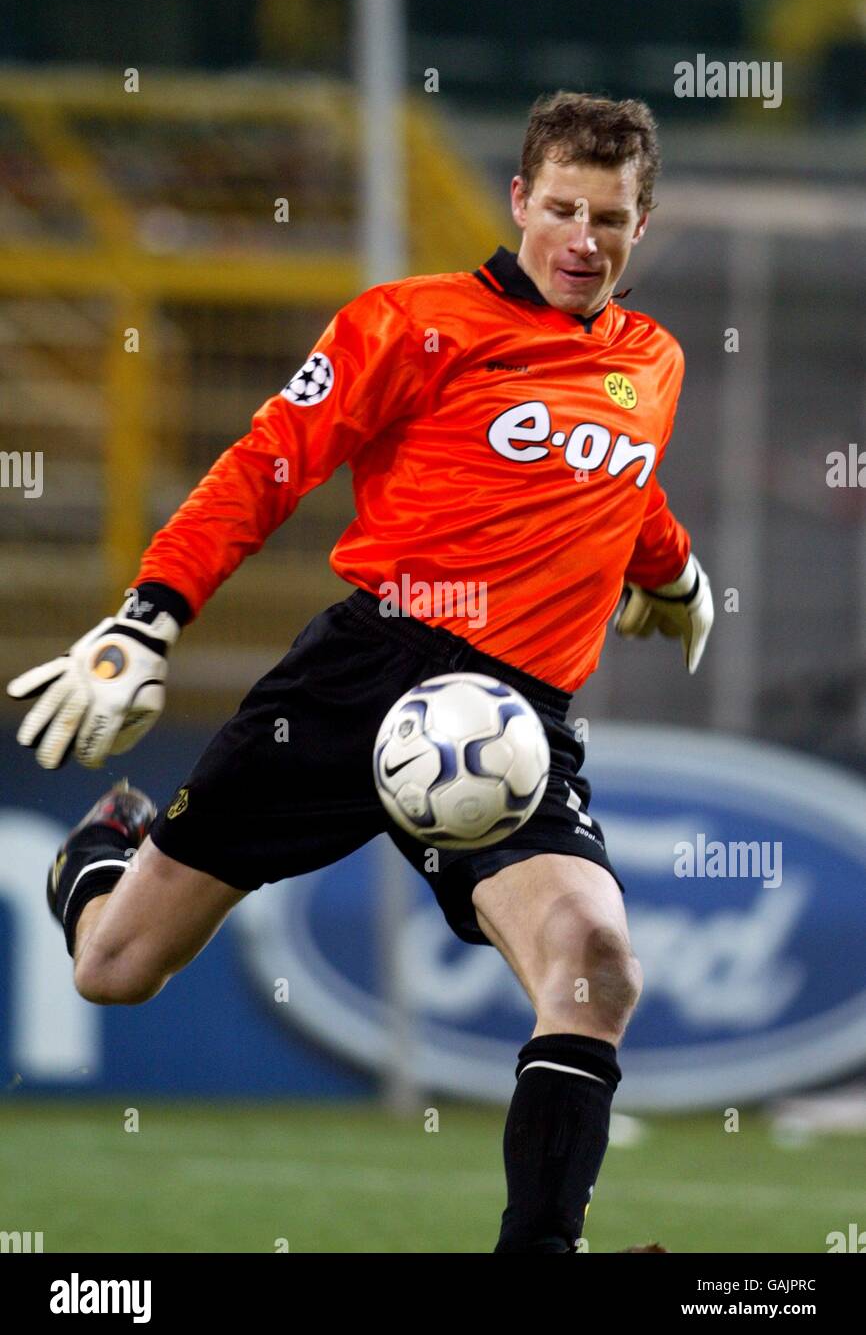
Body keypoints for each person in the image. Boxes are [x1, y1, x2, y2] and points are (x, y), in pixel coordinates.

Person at [7, 90, 713, 1254]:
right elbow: (264, 465)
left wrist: (676, 574)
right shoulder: (407, 322)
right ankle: (94, 860)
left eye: (610, 219)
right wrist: (149, 616)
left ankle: (539, 1248)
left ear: (644, 225)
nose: (581, 240)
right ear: (518, 200)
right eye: (562, 210)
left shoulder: (651, 358)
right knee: (115, 969)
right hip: (364, 675)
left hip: (511, 723)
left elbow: (621, 486)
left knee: (591, 961)